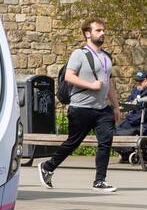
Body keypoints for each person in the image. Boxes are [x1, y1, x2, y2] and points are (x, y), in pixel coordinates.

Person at [39, 19, 120, 193]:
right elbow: (69, 76)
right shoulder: (79, 54)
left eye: (103, 30)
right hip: (81, 108)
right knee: (73, 143)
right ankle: (47, 166)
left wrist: (116, 106)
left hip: (102, 108)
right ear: (87, 34)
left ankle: (100, 181)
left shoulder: (107, 57)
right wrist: (91, 86)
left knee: (105, 142)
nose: (102, 33)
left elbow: (109, 83)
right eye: (98, 30)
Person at [117, 70, 147, 136]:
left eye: (141, 81)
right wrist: (120, 106)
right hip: (134, 120)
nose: (138, 83)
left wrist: (139, 100)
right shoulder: (137, 90)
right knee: (116, 132)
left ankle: (132, 146)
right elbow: (128, 102)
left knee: (131, 133)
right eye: (137, 81)